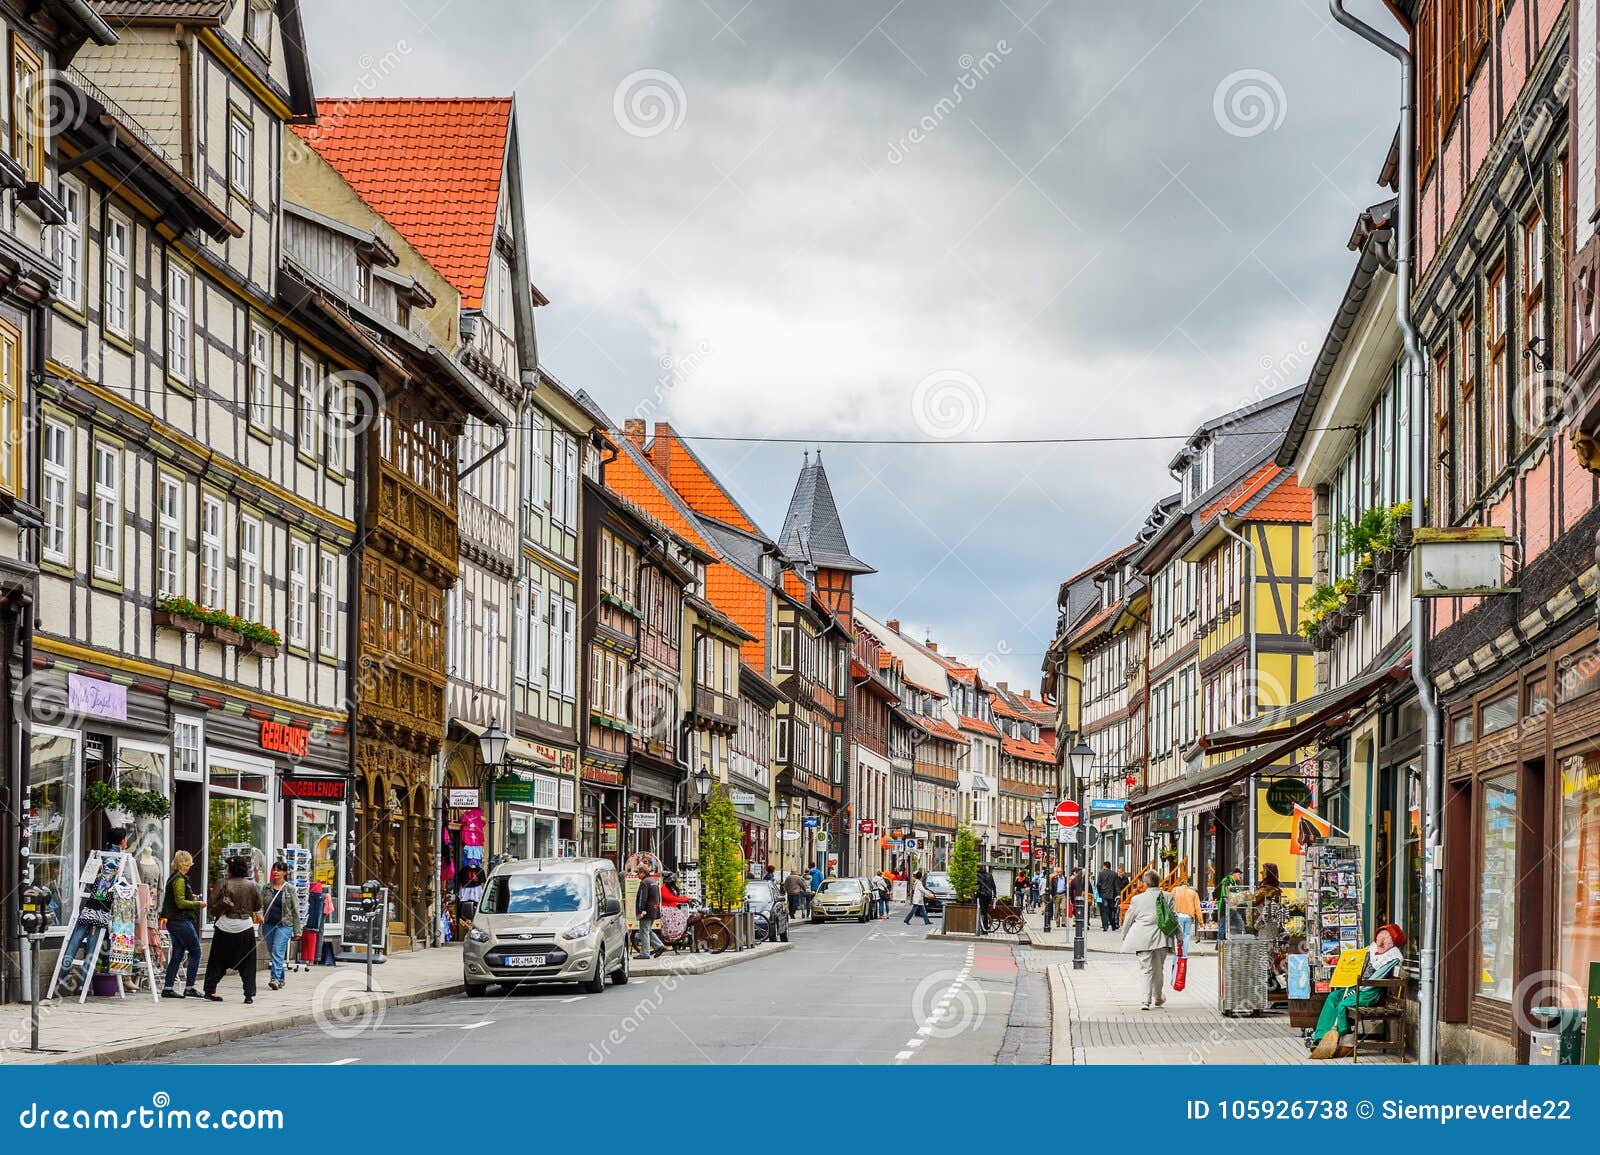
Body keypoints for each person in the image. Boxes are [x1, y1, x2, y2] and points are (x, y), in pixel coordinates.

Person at [1310, 924, 1407, 1059]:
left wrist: (1358, 987)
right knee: (1333, 997)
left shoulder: (1392, 957)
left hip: (1369, 992)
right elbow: (1358, 965)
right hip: (1355, 986)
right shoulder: (1371, 950)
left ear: (1392, 942)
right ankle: (1320, 1037)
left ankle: (1342, 1037)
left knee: (1343, 1005)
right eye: (1380, 935)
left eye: (1385, 937)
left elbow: (1377, 978)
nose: (1380, 939)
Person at [51, 827, 128, 997]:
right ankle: (85, 987)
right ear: (122, 841)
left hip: (89, 904)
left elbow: (92, 880)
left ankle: (60, 978)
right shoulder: (120, 859)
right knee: (92, 952)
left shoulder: (100, 855)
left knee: (73, 943)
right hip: (103, 908)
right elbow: (120, 887)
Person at [203, 856, 262, 1004]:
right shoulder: (252, 885)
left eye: (227, 867)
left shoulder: (222, 883)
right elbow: (257, 906)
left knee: (217, 960)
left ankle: (210, 989)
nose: (226, 870)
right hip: (245, 926)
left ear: (231, 869)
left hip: (224, 925)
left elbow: (211, 904)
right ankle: (248, 994)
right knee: (248, 962)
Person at [1122, 870, 1175, 1010]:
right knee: (1159, 969)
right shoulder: (1168, 896)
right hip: (1162, 938)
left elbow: (1128, 919)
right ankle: (1158, 997)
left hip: (1142, 938)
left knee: (1146, 969)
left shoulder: (1137, 899)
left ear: (1145, 884)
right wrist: (1180, 937)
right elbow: (1174, 918)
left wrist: (1124, 935)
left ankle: (1145, 1001)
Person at [159, 850, 205, 999]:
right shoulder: (179, 879)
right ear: (185, 863)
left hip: (174, 921)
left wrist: (189, 897)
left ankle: (168, 988)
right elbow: (180, 902)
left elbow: (177, 899)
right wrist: (197, 903)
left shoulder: (174, 878)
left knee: (178, 953)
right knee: (196, 952)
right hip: (180, 921)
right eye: (189, 863)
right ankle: (190, 987)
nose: (190, 865)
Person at [260, 861, 303, 991]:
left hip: (285, 925)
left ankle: (274, 979)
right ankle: (281, 978)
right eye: (274, 869)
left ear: (284, 873)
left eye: (279, 870)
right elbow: (260, 904)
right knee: (273, 952)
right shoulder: (266, 888)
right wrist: (259, 914)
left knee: (277, 951)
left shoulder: (290, 889)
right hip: (268, 924)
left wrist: (297, 931)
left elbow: (295, 910)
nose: (276, 872)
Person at [1169, 876, 1202, 957]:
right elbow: (1198, 908)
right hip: (1188, 917)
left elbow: (1169, 902)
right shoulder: (1193, 893)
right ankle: (1184, 954)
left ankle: (1178, 952)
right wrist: (1201, 921)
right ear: (1188, 885)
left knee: (1178, 935)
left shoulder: (1175, 890)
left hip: (1178, 916)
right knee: (1186, 935)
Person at [633, 867, 662, 960]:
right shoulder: (653, 881)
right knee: (648, 930)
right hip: (654, 910)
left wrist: (641, 910)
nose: (637, 875)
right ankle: (659, 946)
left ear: (643, 873)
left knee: (644, 931)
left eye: (638, 873)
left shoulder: (644, 882)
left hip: (646, 911)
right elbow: (658, 897)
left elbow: (642, 898)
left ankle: (645, 953)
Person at [1095, 861, 1122, 932]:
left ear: (1104, 866)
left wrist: (1100, 893)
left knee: (1104, 911)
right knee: (1112, 910)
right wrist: (1118, 894)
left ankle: (1105, 926)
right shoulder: (1114, 874)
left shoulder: (1101, 874)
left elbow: (1098, 884)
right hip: (1112, 895)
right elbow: (1117, 885)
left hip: (1104, 895)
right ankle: (1113, 925)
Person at [976, 865, 997, 933]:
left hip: (981, 896)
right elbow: (993, 885)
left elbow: (975, 886)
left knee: (982, 912)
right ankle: (984, 927)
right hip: (988, 896)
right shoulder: (989, 875)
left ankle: (983, 929)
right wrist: (995, 894)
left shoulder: (977, 875)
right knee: (985, 911)